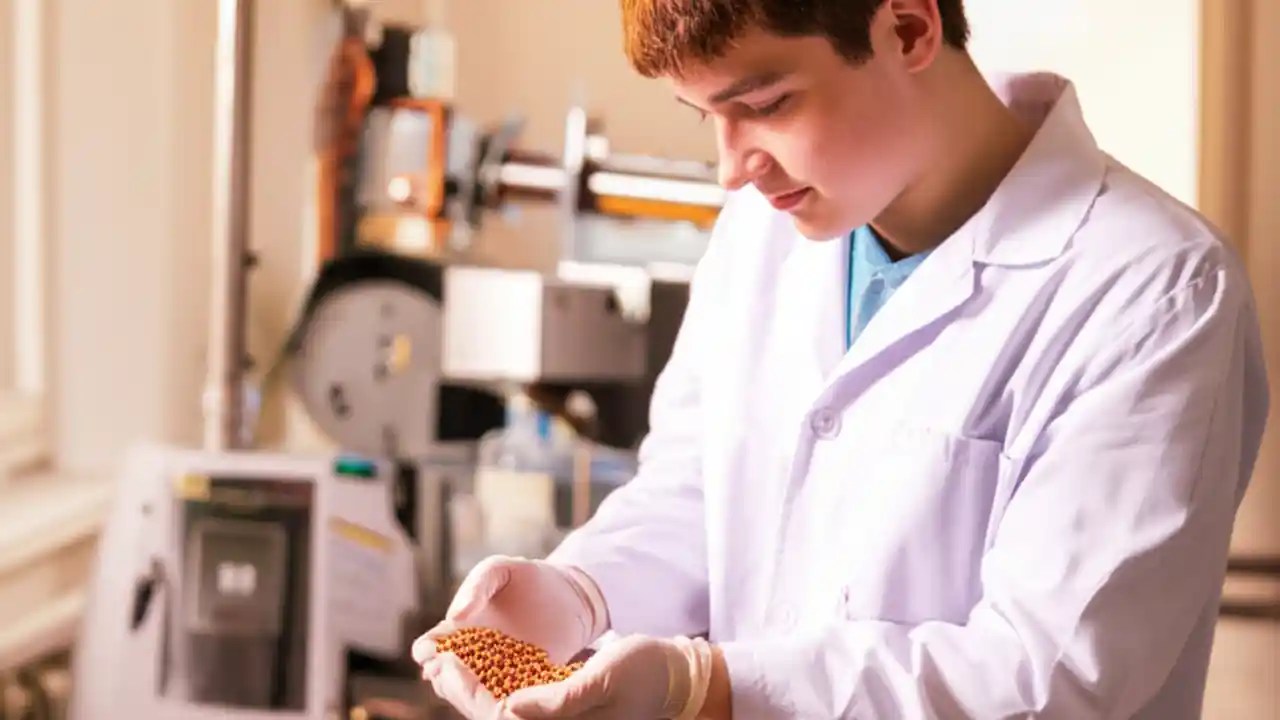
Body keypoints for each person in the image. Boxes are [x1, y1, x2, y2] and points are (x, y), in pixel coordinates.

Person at [413, 0, 1270, 717]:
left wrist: (711, 687)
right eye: (706, 115)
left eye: (769, 103)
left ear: (906, 27)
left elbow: (1053, 676)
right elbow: (696, 489)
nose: (732, 170)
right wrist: (578, 593)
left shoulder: (1151, 290)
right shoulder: (765, 234)